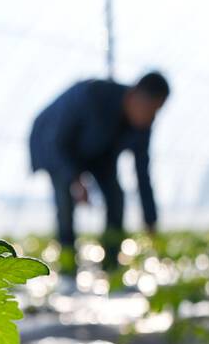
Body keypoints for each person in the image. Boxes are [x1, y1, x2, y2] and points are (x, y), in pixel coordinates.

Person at [29, 71, 170, 279]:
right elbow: (59, 141)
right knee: (65, 201)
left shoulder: (143, 126)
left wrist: (151, 220)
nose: (150, 117)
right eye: (148, 109)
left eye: (156, 111)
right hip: (54, 143)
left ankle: (112, 266)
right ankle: (68, 268)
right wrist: (76, 179)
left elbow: (142, 174)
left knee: (116, 198)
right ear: (134, 96)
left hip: (98, 155)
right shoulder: (94, 95)